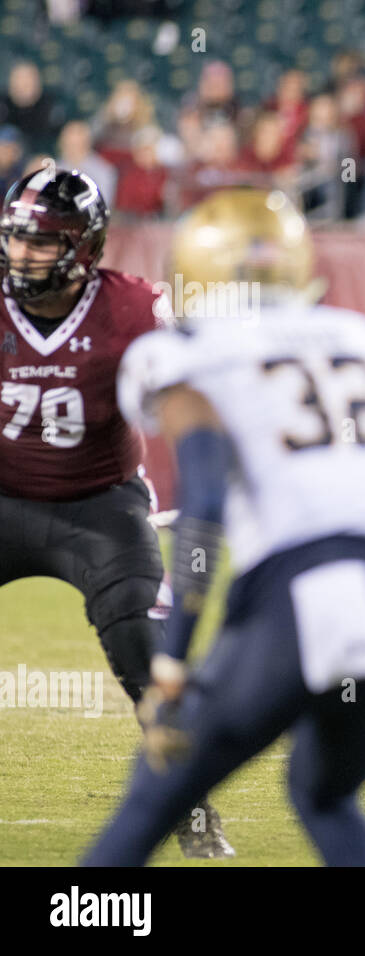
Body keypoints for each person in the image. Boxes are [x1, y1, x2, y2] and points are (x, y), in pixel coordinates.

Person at [83, 188, 365, 865]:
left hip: (299, 596)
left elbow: (205, 499)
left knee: (153, 795)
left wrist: (173, 663)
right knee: (322, 793)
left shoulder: (186, 350)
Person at [0, 167, 232, 858]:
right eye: (15, 241)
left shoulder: (133, 309)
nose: (22, 257)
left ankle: (189, 802)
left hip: (98, 504)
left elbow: (197, 392)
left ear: (84, 248)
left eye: (42, 244)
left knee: (142, 642)